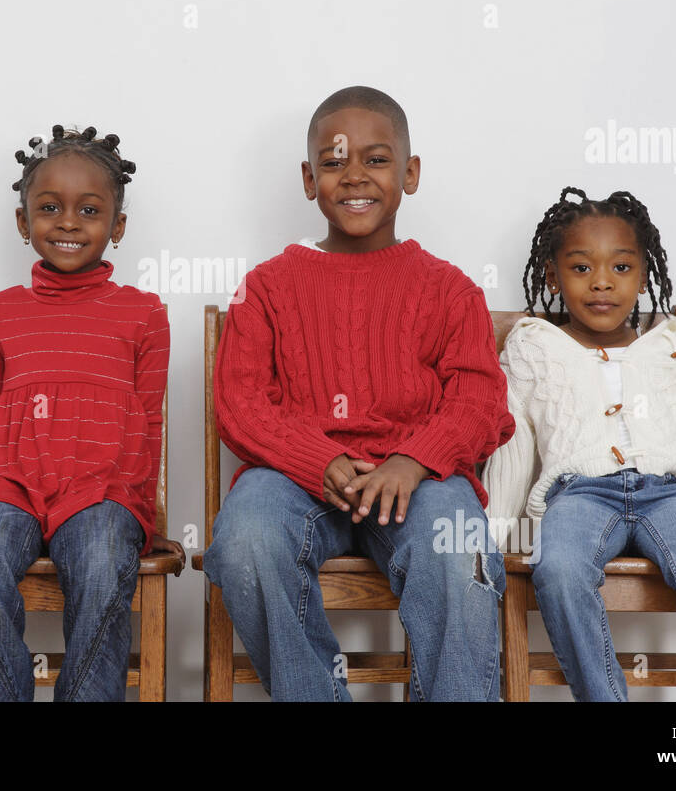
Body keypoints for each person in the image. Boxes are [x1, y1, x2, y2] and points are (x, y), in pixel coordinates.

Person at [202, 86, 515, 701]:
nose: (353, 177)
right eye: (333, 160)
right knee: (244, 541)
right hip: (293, 478)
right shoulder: (266, 286)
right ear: (307, 177)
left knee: (458, 552)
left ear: (410, 173)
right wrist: (317, 460)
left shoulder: (450, 289)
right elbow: (238, 406)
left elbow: (480, 403)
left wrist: (415, 458)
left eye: (375, 159)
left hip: (417, 480)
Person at [0, 124, 184, 702]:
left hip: (99, 490)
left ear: (117, 227)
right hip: (9, 485)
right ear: (23, 223)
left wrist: (137, 512)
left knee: (100, 558)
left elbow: (148, 423)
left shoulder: (144, 314)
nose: (68, 221)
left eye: (89, 209)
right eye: (49, 207)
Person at [483, 186, 676, 701]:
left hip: (672, 493)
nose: (602, 283)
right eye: (581, 268)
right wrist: (496, 552)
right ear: (552, 276)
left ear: (644, 275)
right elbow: (512, 451)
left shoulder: (666, 346)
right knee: (559, 568)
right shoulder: (534, 347)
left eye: (622, 268)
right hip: (579, 494)